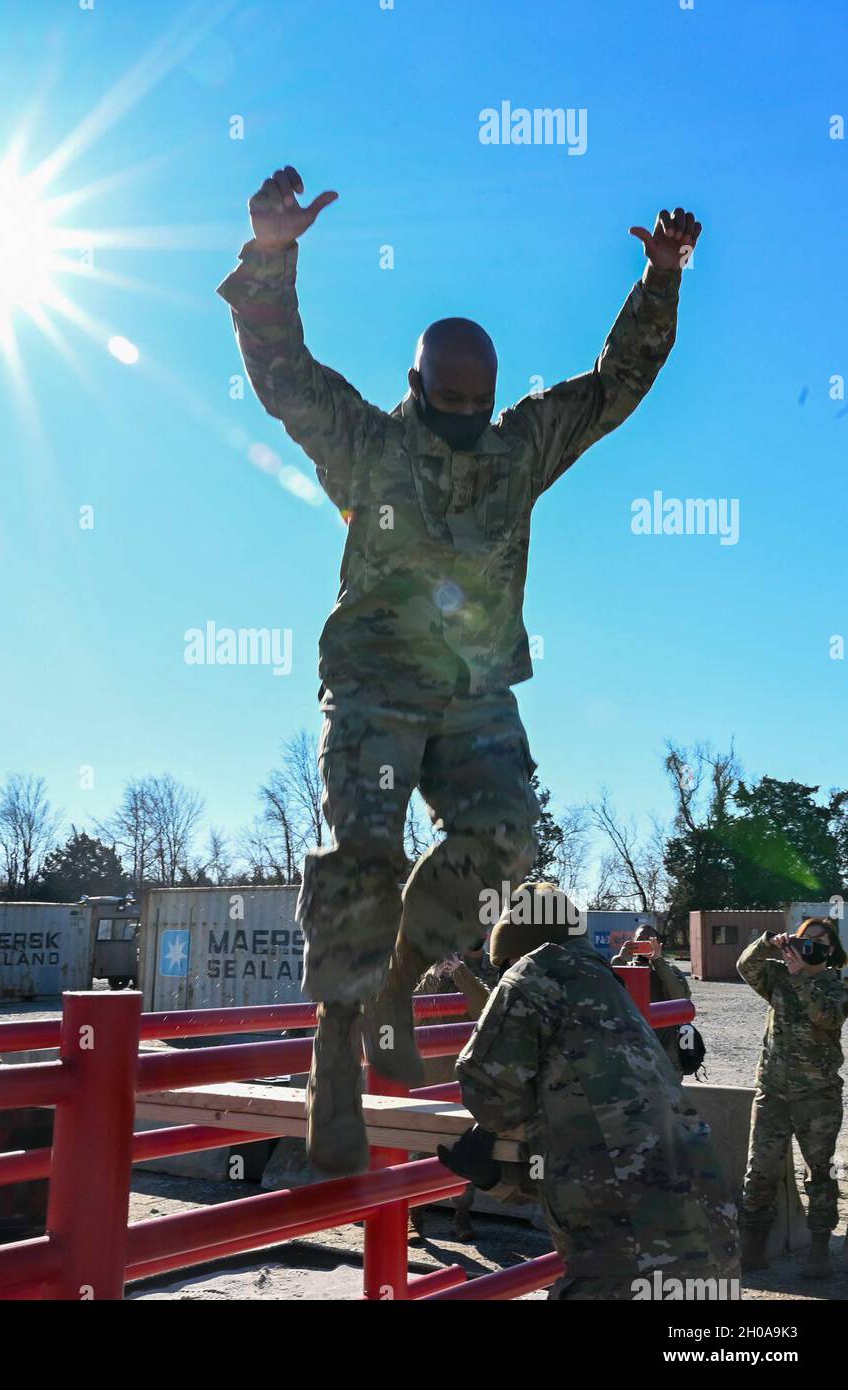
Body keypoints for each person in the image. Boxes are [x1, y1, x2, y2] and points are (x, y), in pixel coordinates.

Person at [217, 164, 702, 1173]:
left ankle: (398, 975)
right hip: (377, 682)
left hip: (476, 687)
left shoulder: (519, 446)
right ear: (415, 388)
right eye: (448, 403)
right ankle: (340, 1042)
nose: (464, 418)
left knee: (508, 835)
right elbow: (283, 375)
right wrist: (271, 255)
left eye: (479, 404)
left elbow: (614, 386)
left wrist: (661, 278)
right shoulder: (365, 442)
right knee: (364, 852)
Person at [452, 883, 740, 1300]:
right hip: (710, 1237)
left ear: (515, 947)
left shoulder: (529, 975)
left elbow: (489, 1095)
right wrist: (497, 1180)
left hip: (624, 1253)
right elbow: (603, 1145)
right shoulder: (608, 986)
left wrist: (491, 1154)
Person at [736, 917, 845, 1279]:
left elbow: (827, 1018)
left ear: (831, 951)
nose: (809, 945)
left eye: (818, 941)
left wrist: (801, 977)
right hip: (773, 1090)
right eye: (804, 939)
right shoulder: (776, 975)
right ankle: (752, 1249)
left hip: (817, 1096)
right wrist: (768, 942)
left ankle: (818, 1250)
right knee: (760, 1171)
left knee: (820, 1172)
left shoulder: (836, 985)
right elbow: (744, 966)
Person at [414, 937, 499, 1241]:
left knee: (465, 1145)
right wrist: (437, 973)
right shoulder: (428, 968)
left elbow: (485, 1010)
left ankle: (462, 1213)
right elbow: (414, 1011)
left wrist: (461, 972)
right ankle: (414, 1215)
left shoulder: (491, 969)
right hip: (430, 1075)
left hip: (466, 1075)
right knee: (420, 1147)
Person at [611, 923, 692, 1077]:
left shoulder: (669, 970)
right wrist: (620, 959)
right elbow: (609, 994)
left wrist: (658, 961)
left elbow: (681, 999)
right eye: (640, 940)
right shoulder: (624, 969)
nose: (644, 944)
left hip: (665, 1052)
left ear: (658, 944)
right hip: (632, 1051)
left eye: (649, 940)